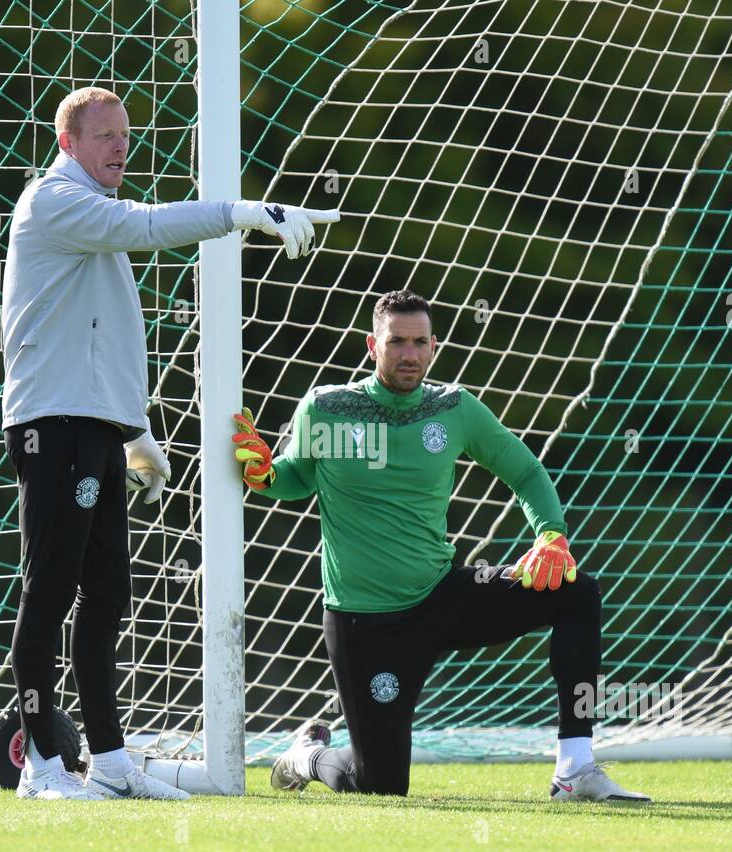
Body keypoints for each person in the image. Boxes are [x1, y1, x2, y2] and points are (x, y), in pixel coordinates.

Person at [1, 86, 337, 800]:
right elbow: (151, 225)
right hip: (50, 422)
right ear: (68, 143)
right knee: (51, 588)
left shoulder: (93, 226)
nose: (122, 146)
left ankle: (113, 763)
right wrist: (241, 213)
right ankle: (42, 767)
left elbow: (109, 333)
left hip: (91, 424)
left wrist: (137, 429)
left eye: (126, 134)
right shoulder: (55, 202)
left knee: (109, 592)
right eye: (104, 136)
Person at [232, 290, 649, 802]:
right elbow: (297, 477)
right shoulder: (327, 408)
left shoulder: (454, 408)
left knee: (575, 591)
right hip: (365, 623)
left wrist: (551, 535)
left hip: (440, 595)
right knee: (380, 786)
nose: (409, 354)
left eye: (419, 342)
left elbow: (525, 470)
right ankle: (309, 756)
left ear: (434, 347)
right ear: (372, 346)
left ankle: (575, 767)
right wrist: (264, 472)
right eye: (396, 342)